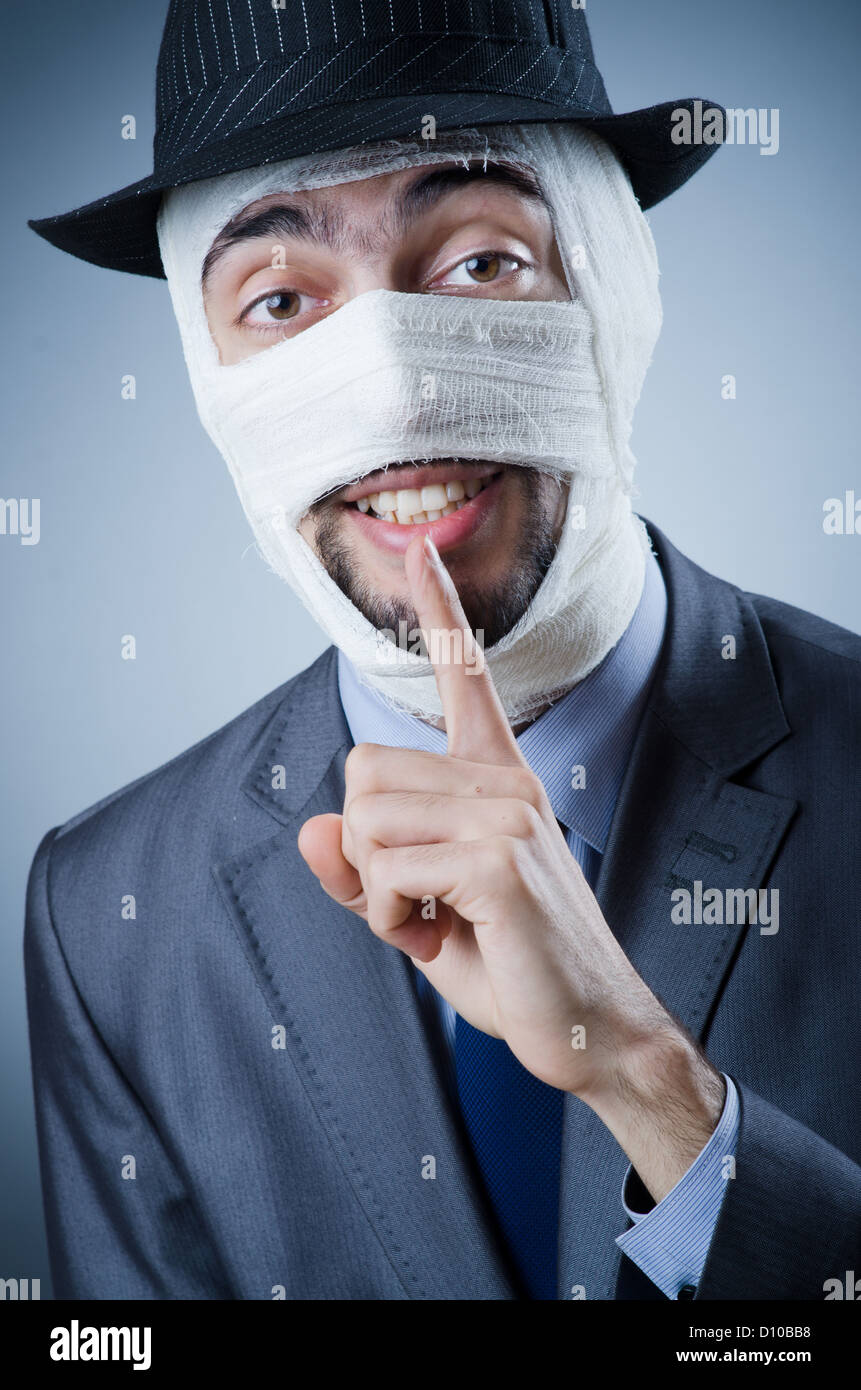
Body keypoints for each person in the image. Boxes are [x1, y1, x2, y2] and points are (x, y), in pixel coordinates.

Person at [25, 0, 861, 1301]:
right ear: (205, 366)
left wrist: (650, 1081)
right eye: (281, 295)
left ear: (613, 281)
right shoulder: (109, 913)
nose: (394, 394)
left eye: (479, 262)